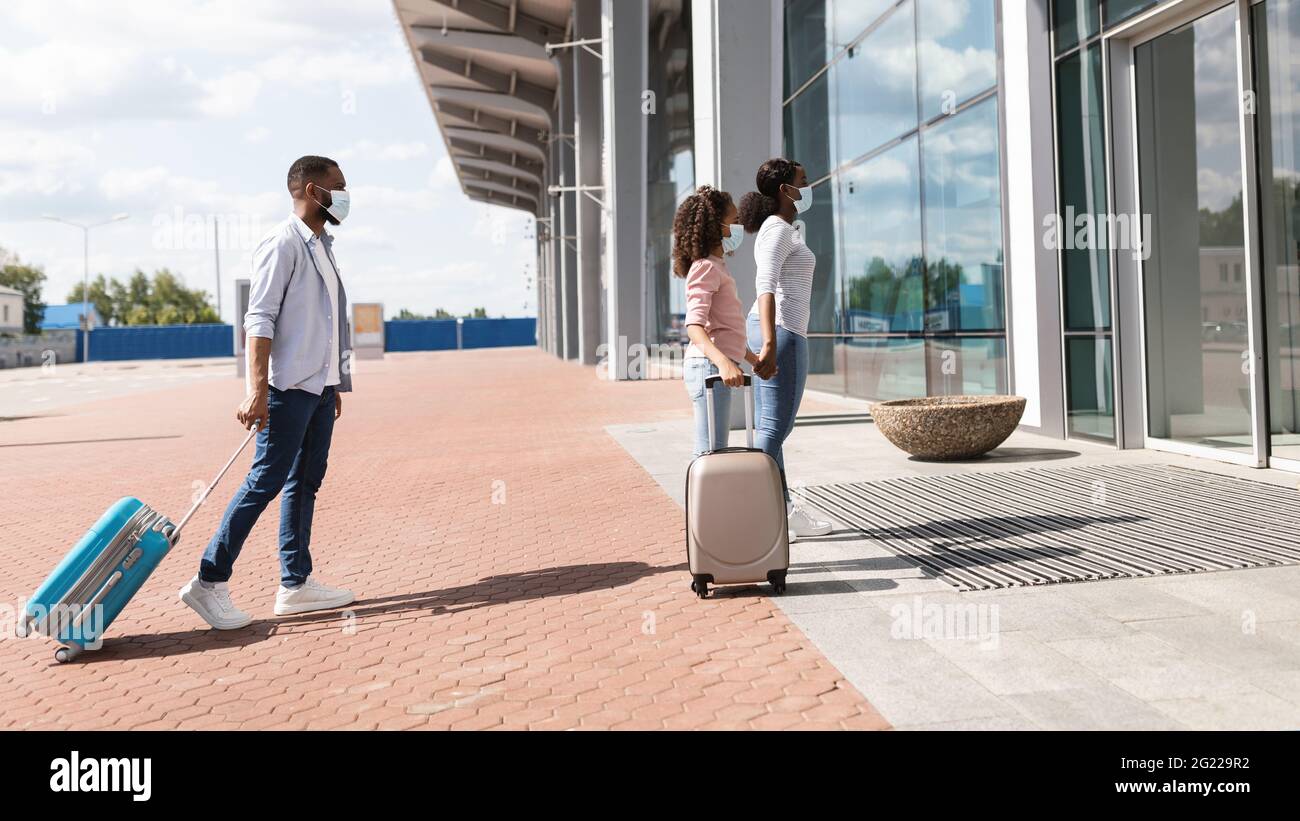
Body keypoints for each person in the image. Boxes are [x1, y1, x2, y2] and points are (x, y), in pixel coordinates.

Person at [179, 155, 357, 629]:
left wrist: (332, 382)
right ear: (310, 190)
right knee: (265, 482)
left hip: (317, 389)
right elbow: (259, 320)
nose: (344, 194)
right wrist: (255, 390)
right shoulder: (282, 244)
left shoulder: (323, 244)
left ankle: (295, 585)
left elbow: (324, 321)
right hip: (286, 390)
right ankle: (208, 580)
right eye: (337, 185)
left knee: (304, 483)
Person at [738, 158, 832, 541]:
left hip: (777, 331)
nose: (807, 187)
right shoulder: (776, 229)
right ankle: (764, 516)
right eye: (802, 181)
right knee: (776, 429)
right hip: (782, 332)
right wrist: (773, 343)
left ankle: (782, 510)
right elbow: (766, 284)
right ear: (784, 190)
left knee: (770, 428)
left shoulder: (780, 229)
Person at [674, 185, 764, 458]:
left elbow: (725, 330)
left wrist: (751, 358)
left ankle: (713, 501)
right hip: (709, 368)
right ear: (716, 226)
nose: (739, 227)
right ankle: (704, 502)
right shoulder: (705, 267)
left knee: (716, 451)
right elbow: (695, 327)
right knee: (710, 452)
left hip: (715, 365)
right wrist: (725, 362)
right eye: (734, 221)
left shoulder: (716, 266)